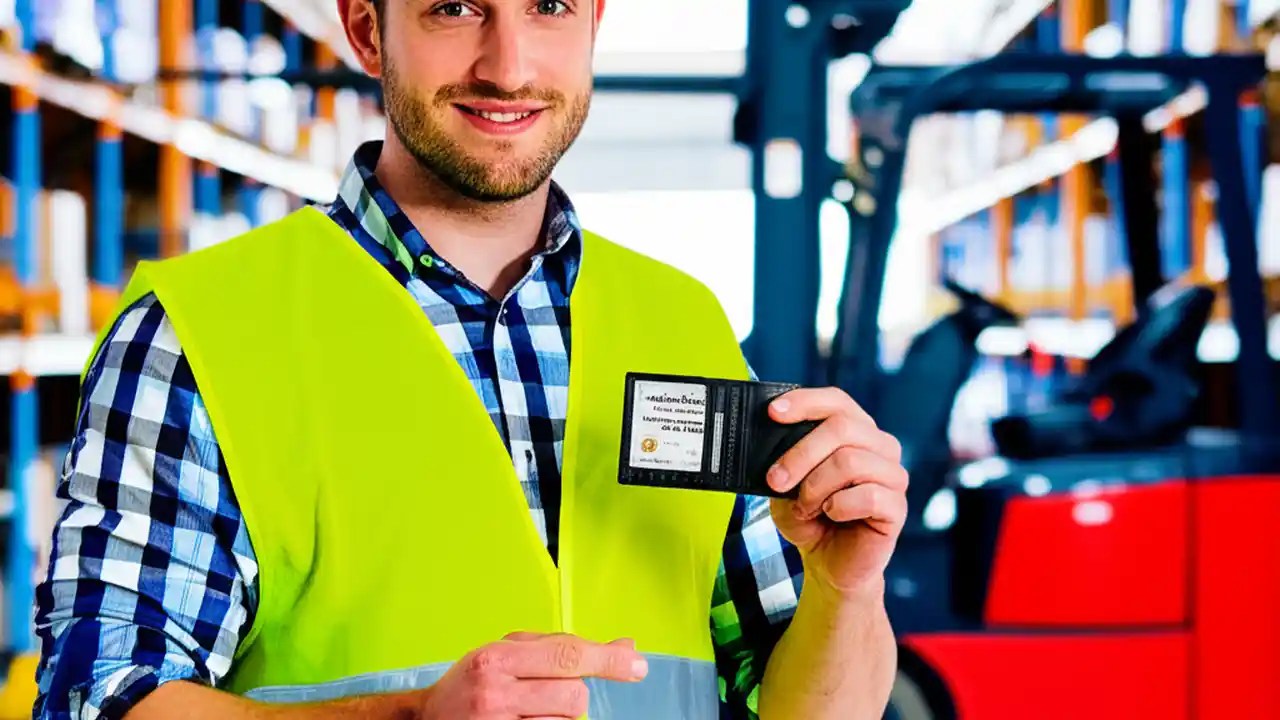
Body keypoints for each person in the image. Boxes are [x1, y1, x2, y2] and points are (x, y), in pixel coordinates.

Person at [33, 0, 908, 718]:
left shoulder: (681, 319)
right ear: (369, 30)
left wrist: (846, 588)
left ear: (594, 23)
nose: (509, 65)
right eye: (455, 9)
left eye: (550, 8)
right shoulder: (200, 333)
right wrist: (406, 718)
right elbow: (99, 699)